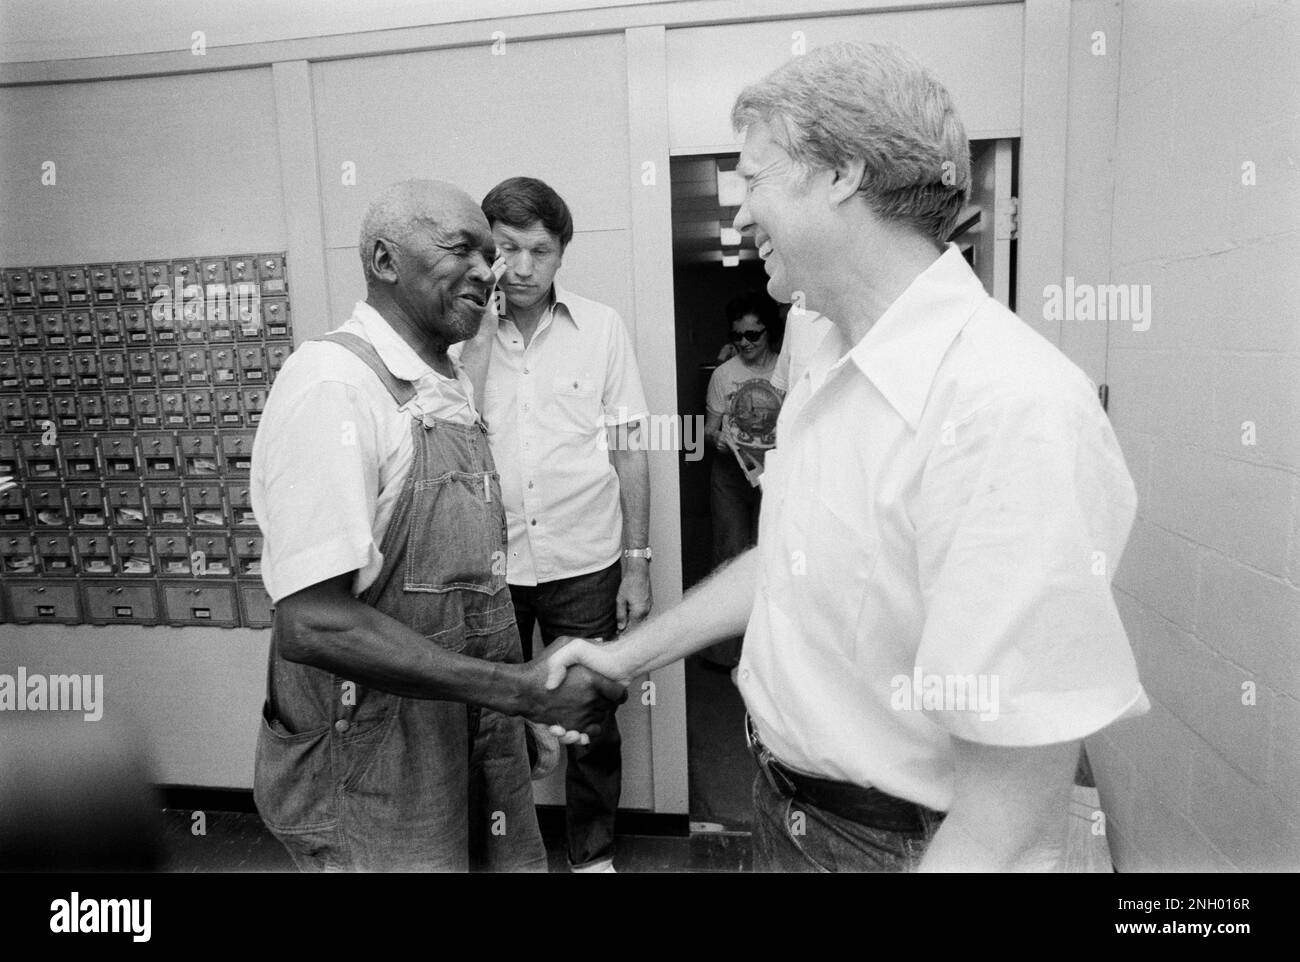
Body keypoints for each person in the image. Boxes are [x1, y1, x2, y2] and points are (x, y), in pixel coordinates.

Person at [546, 42, 1149, 872]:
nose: (741, 214)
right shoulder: (823, 343)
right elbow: (790, 563)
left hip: (897, 847)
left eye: (753, 180)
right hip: (780, 809)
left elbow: (1005, 823)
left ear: (841, 175)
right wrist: (623, 656)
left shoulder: (1009, 408)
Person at [250, 179, 624, 873]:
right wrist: (518, 688)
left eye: (494, 253)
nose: (492, 270)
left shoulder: (444, 385)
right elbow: (311, 622)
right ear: (386, 262)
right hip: (372, 772)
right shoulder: (334, 388)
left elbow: (455, 600)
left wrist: (509, 717)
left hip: (463, 748)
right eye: (465, 249)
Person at [458, 176, 652, 873]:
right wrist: (480, 330)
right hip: (491, 566)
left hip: (585, 559)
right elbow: (454, 430)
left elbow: (631, 446)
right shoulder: (459, 330)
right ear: (488, 249)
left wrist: (637, 561)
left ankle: (592, 854)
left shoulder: (601, 328)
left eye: (540, 250)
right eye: (508, 248)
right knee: (489, 721)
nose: (524, 266)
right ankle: (502, 850)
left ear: (561, 254)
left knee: (590, 717)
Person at [701, 293, 783, 668]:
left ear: (770, 331)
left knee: (774, 559)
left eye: (754, 335)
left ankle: (768, 655)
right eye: (738, 336)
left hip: (778, 476)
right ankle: (725, 655)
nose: (746, 343)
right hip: (731, 475)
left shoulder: (787, 369)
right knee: (730, 557)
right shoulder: (723, 375)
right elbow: (707, 431)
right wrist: (718, 439)